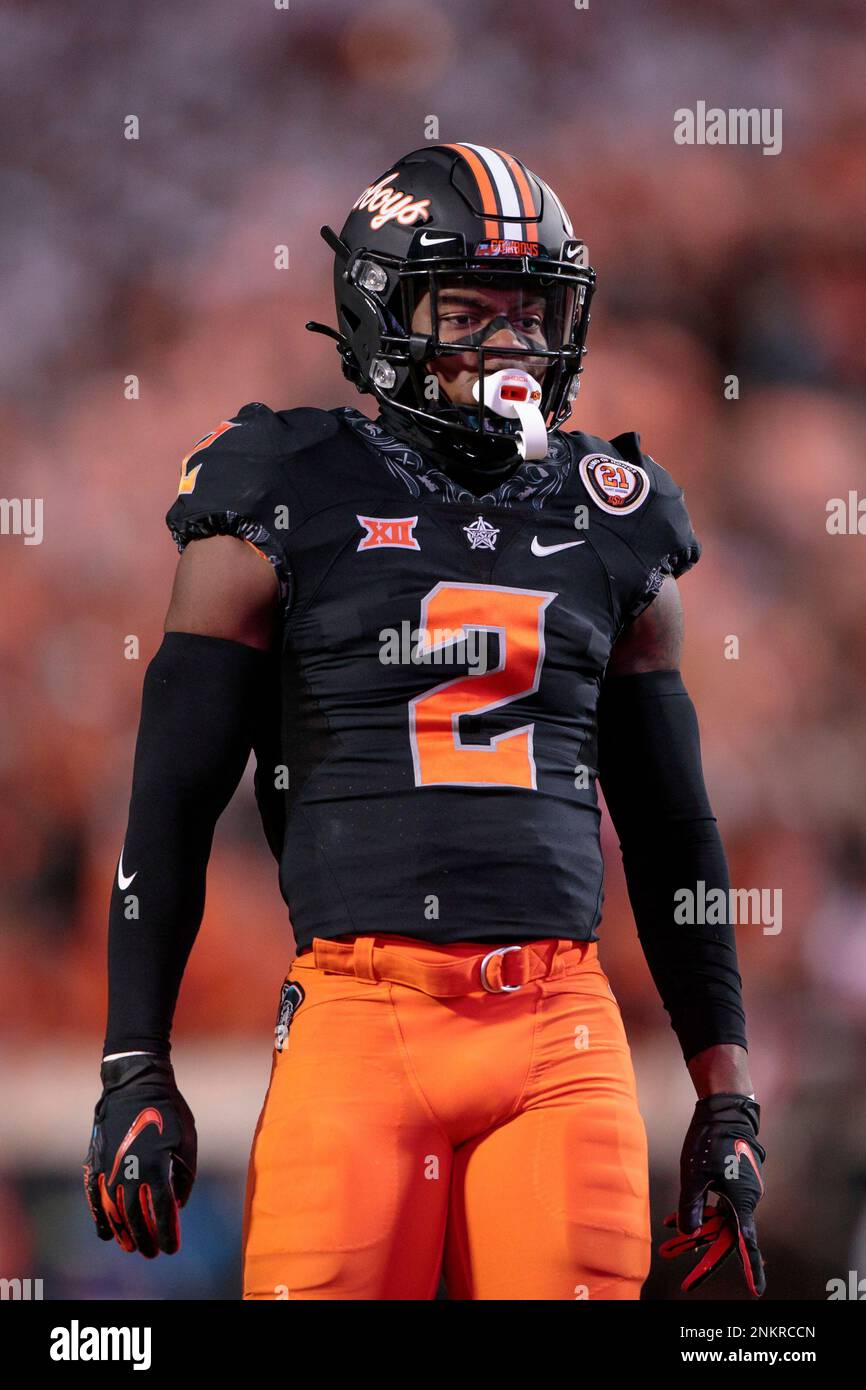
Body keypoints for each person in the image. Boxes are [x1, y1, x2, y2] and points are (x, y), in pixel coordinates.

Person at [83, 142, 765, 1300]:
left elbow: (671, 833)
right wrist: (133, 1057)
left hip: (561, 1025)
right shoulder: (282, 486)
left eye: (531, 310)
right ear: (382, 313)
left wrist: (726, 1093)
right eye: (468, 309)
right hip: (361, 1012)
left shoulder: (616, 511)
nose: (510, 342)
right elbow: (170, 805)